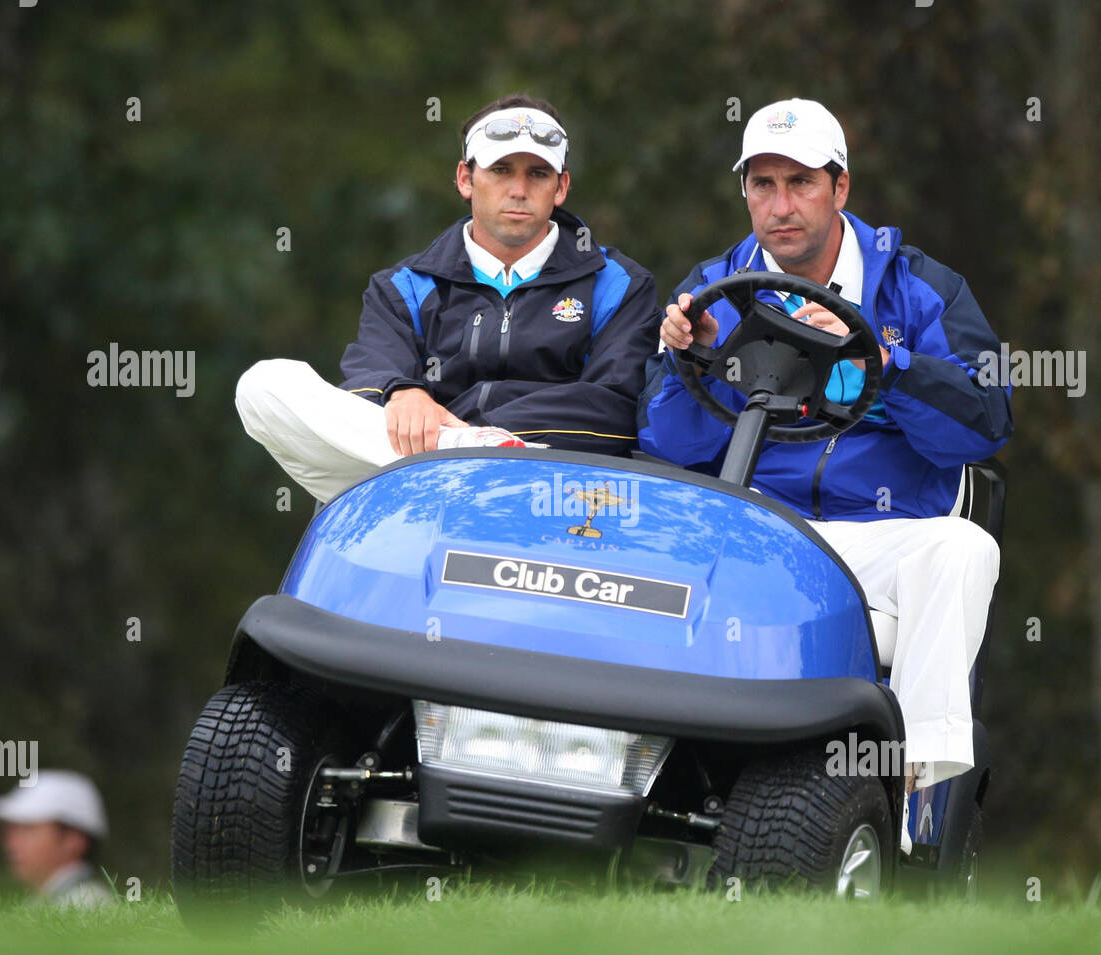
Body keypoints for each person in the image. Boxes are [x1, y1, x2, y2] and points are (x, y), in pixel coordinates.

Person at [638, 99, 1014, 852]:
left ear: (840, 188)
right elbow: (665, 444)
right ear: (743, 191)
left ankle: (919, 810)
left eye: (800, 182)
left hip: (882, 539)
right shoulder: (714, 285)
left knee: (966, 549)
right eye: (763, 185)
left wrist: (888, 362)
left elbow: (983, 422)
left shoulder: (919, 289)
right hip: (762, 529)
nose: (780, 206)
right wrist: (692, 361)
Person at [236, 93, 659, 502]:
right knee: (263, 384)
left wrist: (484, 429)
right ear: (465, 179)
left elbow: (616, 407)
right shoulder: (402, 285)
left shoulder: (620, 284)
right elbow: (368, 379)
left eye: (538, 174)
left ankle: (461, 454)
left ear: (560, 187)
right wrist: (403, 392)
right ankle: (453, 458)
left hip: (550, 487)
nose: (518, 189)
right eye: (501, 170)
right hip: (420, 477)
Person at [0, 770, 113, 908]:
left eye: (28, 829)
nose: (11, 842)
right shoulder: (50, 902)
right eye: (11, 829)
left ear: (74, 839)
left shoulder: (87, 905)